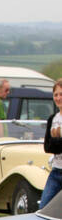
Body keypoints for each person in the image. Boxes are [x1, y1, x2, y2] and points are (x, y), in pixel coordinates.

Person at [39, 79, 62, 209]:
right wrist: (57, 141)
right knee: (44, 208)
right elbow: (47, 147)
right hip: (56, 171)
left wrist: (55, 141)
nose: (58, 98)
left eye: (61, 94)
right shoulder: (52, 119)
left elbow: (53, 145)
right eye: (56, 95)